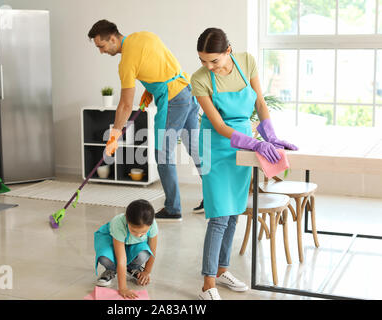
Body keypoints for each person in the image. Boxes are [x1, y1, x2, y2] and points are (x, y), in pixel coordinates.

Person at [191, 28, 298, 300]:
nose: (208, 67)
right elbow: (216, 123)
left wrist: (270, 136)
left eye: (213, 60)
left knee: (232, 214)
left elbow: (260, 102)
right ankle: (207, 284)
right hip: (216, 144)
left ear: (228, 51)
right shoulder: (200, 79)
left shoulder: (247, 61)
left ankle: (223, 270)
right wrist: (254, 143)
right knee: (218, 215)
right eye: (203, 60)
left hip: (244, 143)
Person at [88, 20, 203, 221]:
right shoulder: (144, 36)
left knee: (162, 153)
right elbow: (159, 66)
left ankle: (173, 208)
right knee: (195, 148)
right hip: (186, 90)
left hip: (173, 100)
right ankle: (215, 199)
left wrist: (114, 135)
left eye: (102, 46)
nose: (101, 51)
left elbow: (125, 104)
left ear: (113, 38)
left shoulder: (125, 63)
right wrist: (150, 89)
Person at [94, 199, 158, 299]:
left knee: (145, 253)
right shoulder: (118, 224)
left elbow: (153, 250)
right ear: (127, 220)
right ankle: (111, 270)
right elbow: (121, 259)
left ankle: (131, 268)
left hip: (132, 244)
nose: (139, 235)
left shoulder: (152, 224)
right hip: (111, 240)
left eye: (143, 232)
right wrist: (123, 288)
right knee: (104, 258)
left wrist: (146, 272)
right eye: (134, 231)